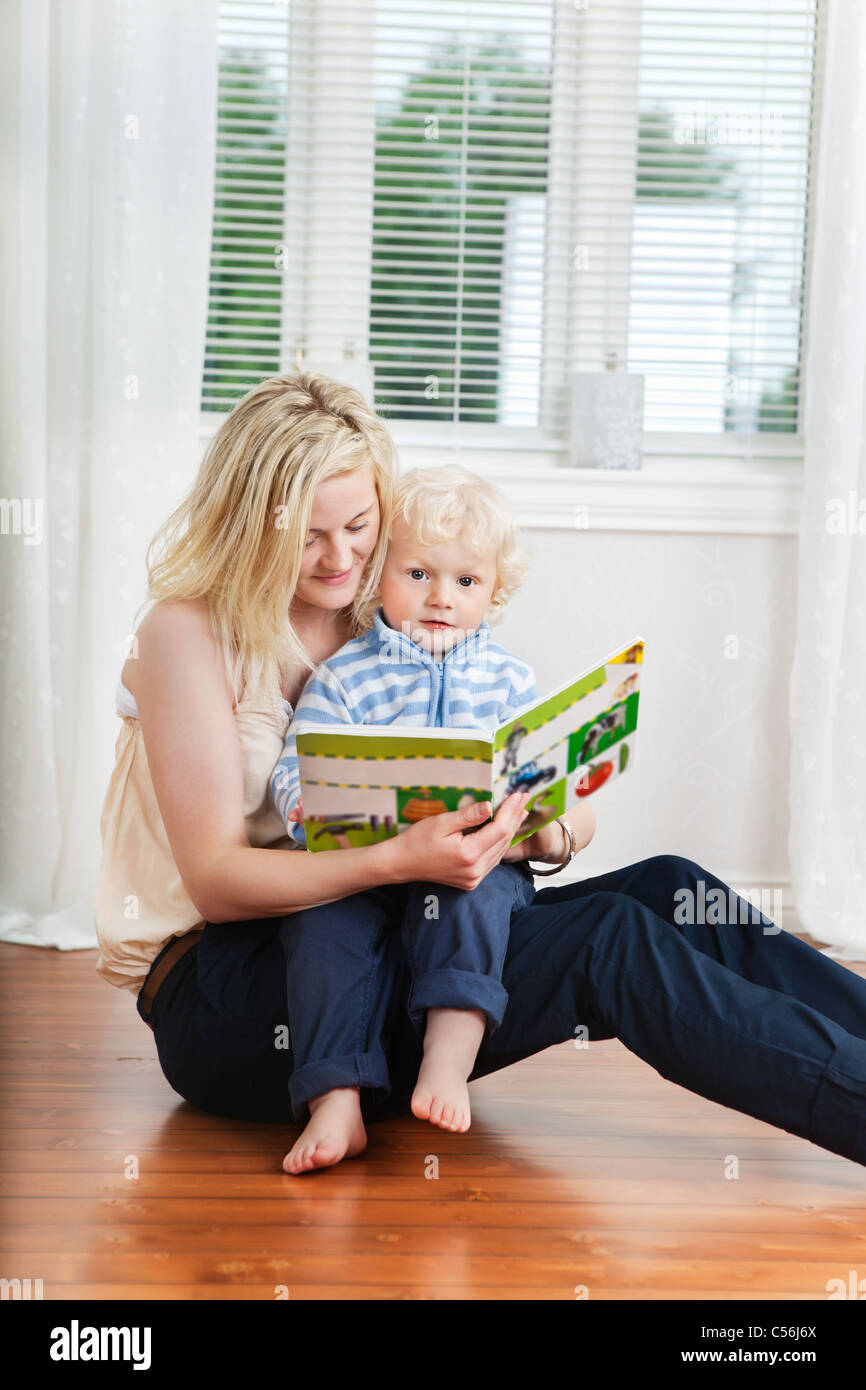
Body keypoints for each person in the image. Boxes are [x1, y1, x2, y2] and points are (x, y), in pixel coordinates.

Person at [94, 370, 866, 1179]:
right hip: (240, 991)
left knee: (668, 887)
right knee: (607, 943)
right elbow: (216, 883)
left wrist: (541, 827)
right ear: (253, 521)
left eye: (360, 527)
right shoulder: (186, 631)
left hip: (401, 918)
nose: (340, 556)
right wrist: (403, 860)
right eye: (308, 535)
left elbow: (544, 799)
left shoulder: (386, 608)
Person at [269, 466, 547, 1170]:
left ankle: (446, 1064)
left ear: (494, 591)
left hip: (467, 863)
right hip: (367, 863)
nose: (440, 599)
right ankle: (336, 1100)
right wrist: (302, 802)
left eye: (466, 582)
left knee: (473, 900)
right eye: (418, 573)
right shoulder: (347, 674)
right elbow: (297, 762)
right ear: (380, 575)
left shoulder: (509, 680)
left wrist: (531, 809)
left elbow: (539, 778)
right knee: (318, 924)